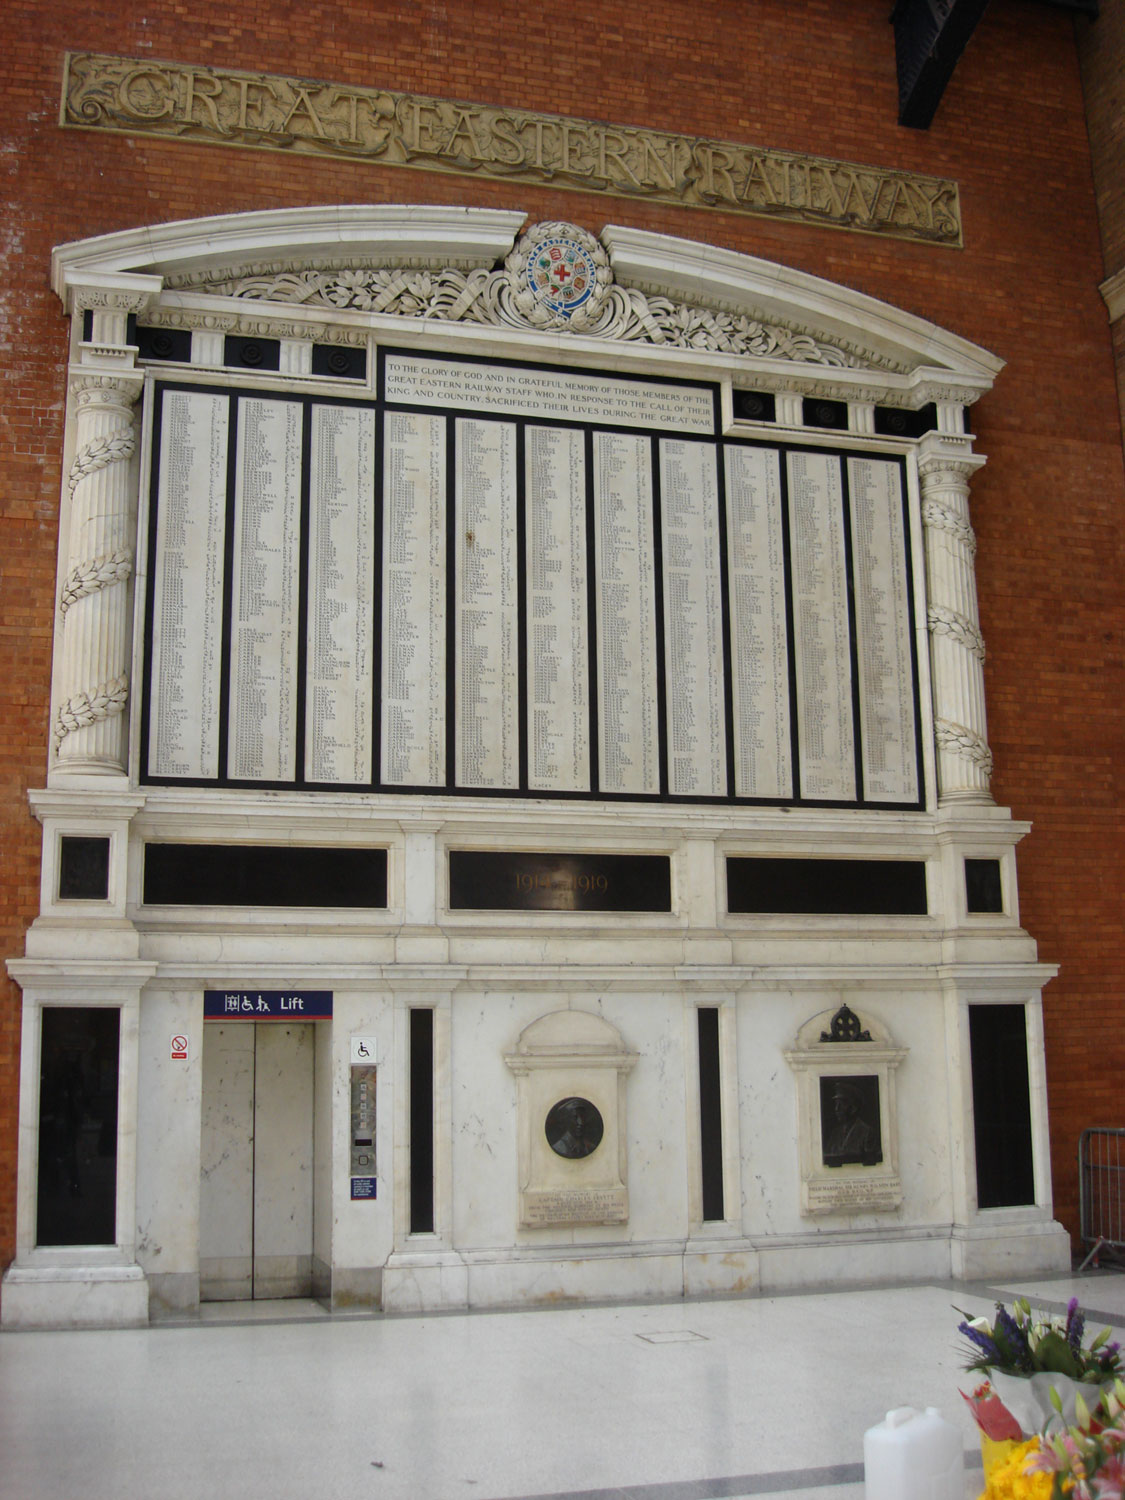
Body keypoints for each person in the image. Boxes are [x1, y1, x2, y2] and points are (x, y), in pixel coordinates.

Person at [822, 1080, 881, 1166]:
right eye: (836, 1104)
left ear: (854, 1108)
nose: (836, 1109)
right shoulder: (836, 1133)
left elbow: (870, 1163)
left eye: (841, 1105)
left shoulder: (867, 1133)